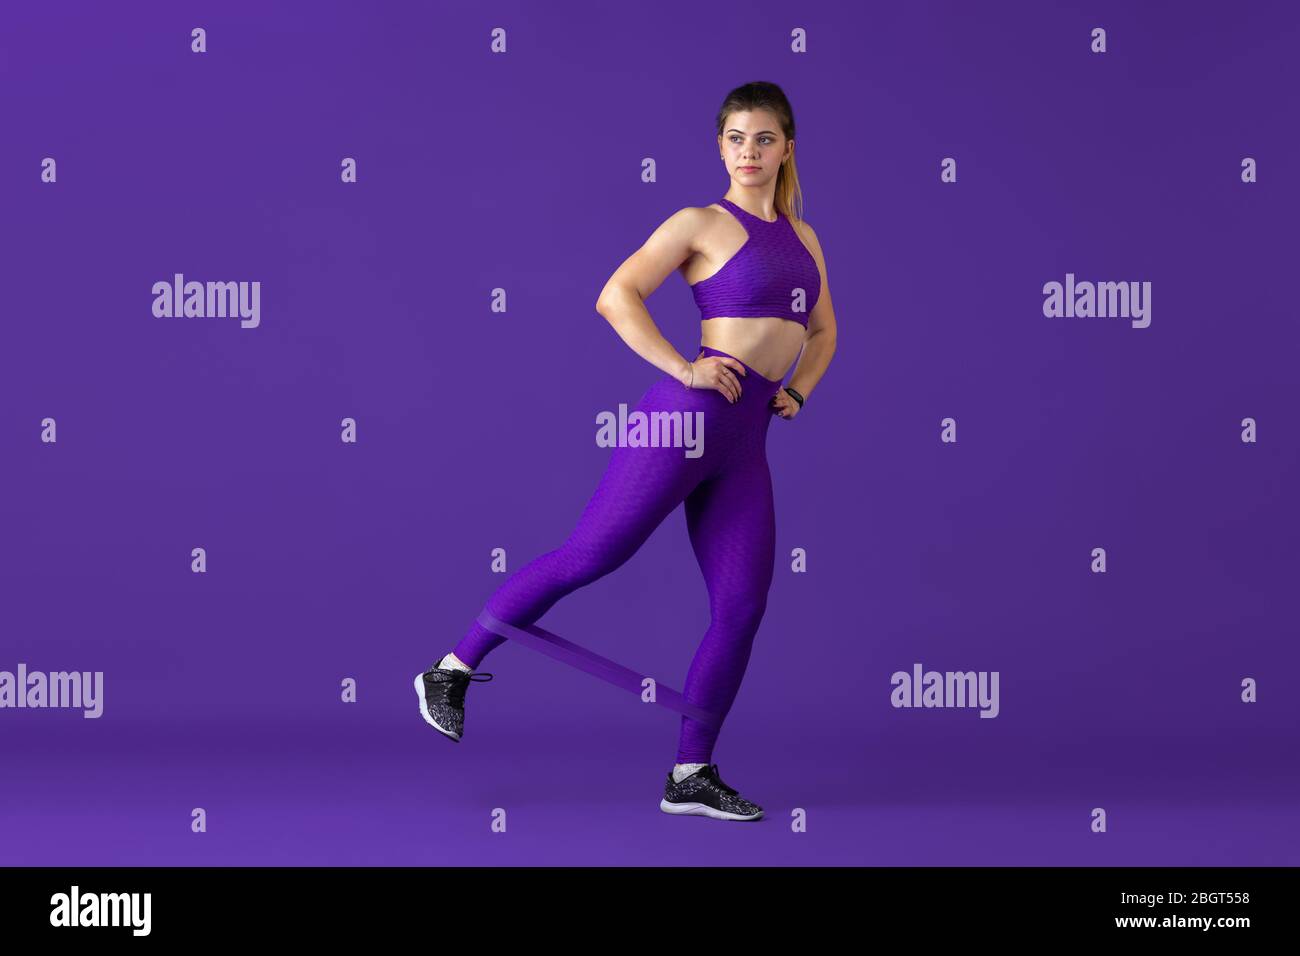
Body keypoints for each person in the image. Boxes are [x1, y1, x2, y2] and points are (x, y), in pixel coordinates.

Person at [415, 80, 837, 822]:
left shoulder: (804, 239)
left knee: (741, 606)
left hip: (745, 442)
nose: (749, 152)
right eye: (736, 138)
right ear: (720, 147)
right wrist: (683, 367)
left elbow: (825, 331)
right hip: (683, 417)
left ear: (787, 148)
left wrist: (796, 390)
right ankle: (450, 669)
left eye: (764, 139)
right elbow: (616, 294)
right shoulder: (700, 222)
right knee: (592, 555)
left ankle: (691, 773)